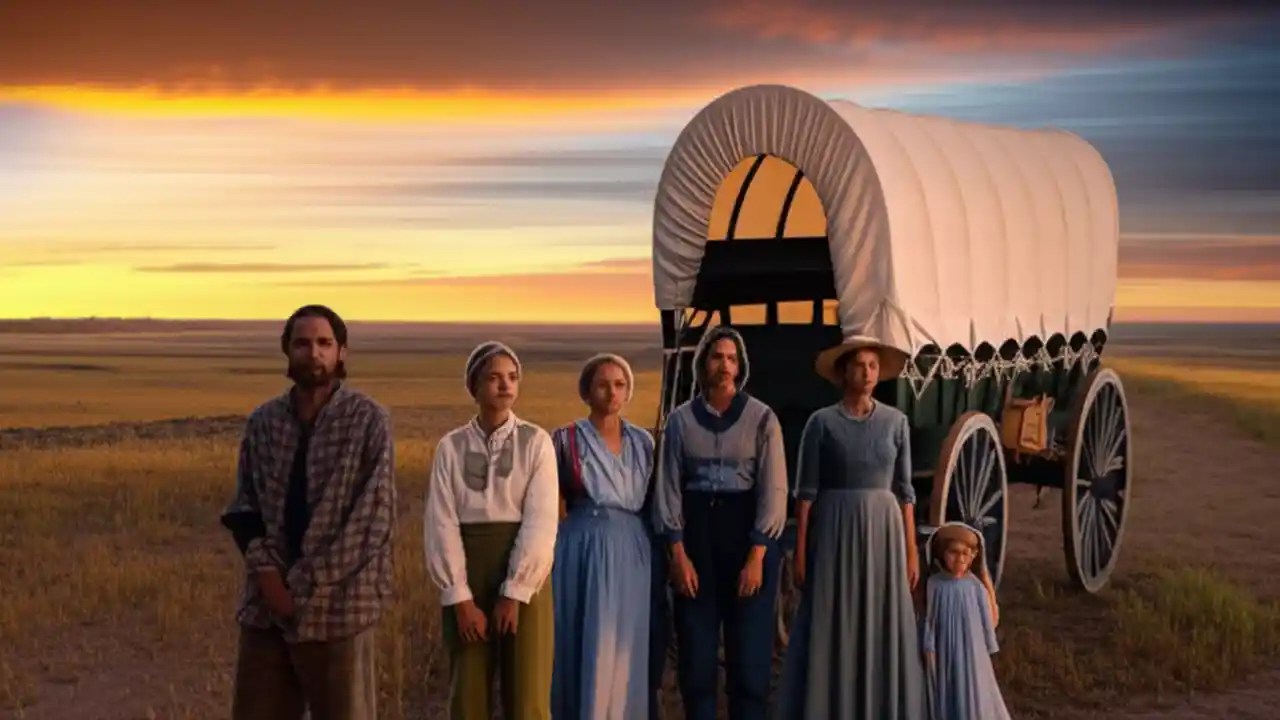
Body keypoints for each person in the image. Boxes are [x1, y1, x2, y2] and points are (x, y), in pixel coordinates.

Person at [220, 304, 396, 720]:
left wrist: (301, 586)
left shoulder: (368, 421)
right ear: (287, 351)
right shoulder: (263, 422)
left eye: (324, 343)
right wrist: (269, 579)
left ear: (342, 353)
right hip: (267, 607)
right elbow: (245, 507)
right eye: (302, 343)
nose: (313, 353)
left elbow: (372, 519)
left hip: (341, 605)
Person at [775, 336, 926, 720]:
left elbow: (906, 493)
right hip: (835, 528)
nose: (867, 372)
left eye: (873, 365)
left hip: (885, 531)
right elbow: (805, 494)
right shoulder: (821, 423)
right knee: (832, 614)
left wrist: (911, 550)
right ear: (843, 373)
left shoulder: (896, 422)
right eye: (859, 365)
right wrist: (803, 551)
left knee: (881, 615)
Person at [653, 325, 789, 720]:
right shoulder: (680, 422)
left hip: (747, 538)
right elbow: (668, 487)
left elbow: (774, 490)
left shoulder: (762, 419)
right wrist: (677, 553)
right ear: (703, 365)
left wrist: (757, 555)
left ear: (741, 365)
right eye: (717, 357)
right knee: (696, 661)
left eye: (732, 358)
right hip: (695, 538)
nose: (724, 365)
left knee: (749, 662)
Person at [424, 341, 558, 720]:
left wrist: (515, 592)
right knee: (467, 696)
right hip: (467, 571)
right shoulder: (451, 447)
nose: (505, 386)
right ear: (474, 386)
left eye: (512, 377)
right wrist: (460, 598)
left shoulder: (537, 442)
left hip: (527, 579)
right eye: (494, 377)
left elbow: (541, 521)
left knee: (528, 695)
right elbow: (441, 523)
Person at [550, 353, 656, 720]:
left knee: (624, 642)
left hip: (632, 548)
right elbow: (552, 502)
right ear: (587, 391)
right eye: (602, 384)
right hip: (581, 546)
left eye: (619, 384)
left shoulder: (645, 443)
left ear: (627, 392)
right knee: (583, 638)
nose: (611, 392)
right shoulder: (565, 440)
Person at [922, 522, 1010, 720]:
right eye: (953, 552)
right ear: (942, 554)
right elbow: (929, 618)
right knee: (948, 687)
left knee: (972, 685)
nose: (959, 559)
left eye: (965, 553)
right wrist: (929, 645)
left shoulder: (975, 587)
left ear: (973, 556)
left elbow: (987, 621)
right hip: (945, 649)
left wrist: (987, 645)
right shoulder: (934, 585)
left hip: (972, 649)